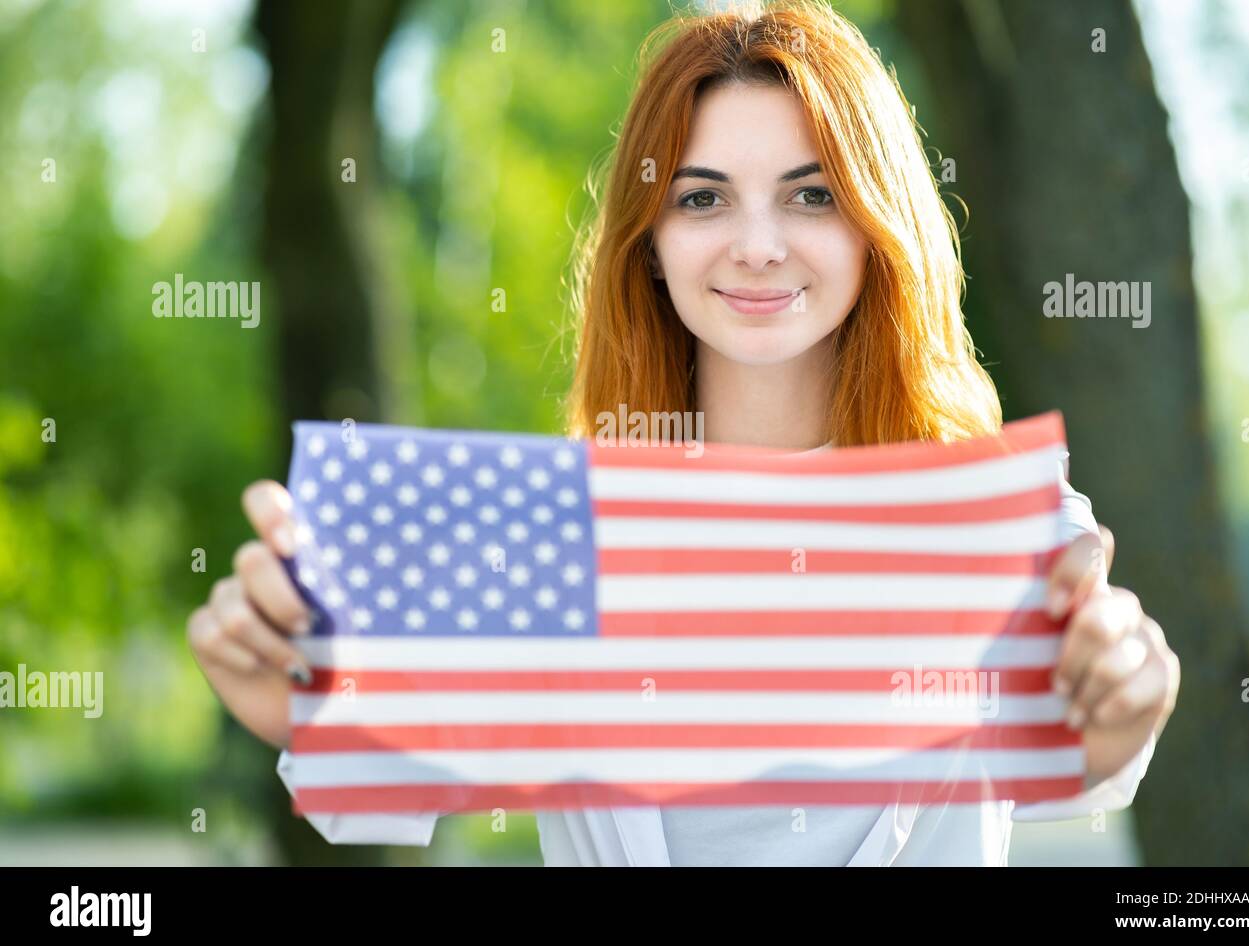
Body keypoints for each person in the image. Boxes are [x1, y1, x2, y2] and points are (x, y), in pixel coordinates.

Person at [187, 0, 1180, 865]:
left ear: (879, 224)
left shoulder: (994, 514)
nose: (756, 244)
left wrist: (1129, 685)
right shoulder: (560, 532)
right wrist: (293, 680)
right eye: (702, 197)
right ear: (650, 245)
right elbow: (389, 766)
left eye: (812, 193)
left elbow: (1094, 753)